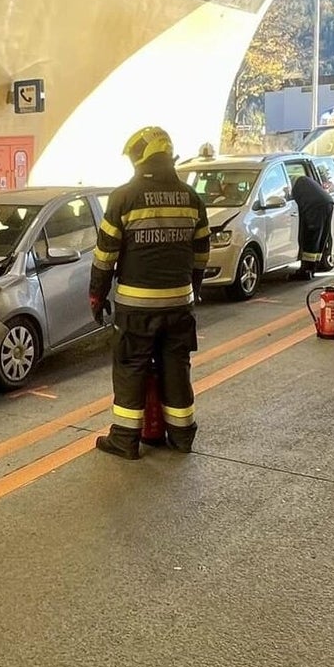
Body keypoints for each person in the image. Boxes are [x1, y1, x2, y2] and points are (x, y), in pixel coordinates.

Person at [89, 126, 209, 459]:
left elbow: (105, 256)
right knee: (176, 367)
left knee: (131, 367)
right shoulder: (191, 197)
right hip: (179, 304)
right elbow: (201, 252)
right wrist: (193, 288)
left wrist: (96, 296)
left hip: (136, 307)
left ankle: (125, 440)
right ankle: (183, 435)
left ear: (140, 157)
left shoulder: (124, 197)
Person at [287, 174, 333, 280]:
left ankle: (306, 271)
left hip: (315, 206)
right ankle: (314, 266)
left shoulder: (296, 184)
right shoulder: (303, 180)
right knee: (321, 236)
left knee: (311, 237)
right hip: (327, 202)